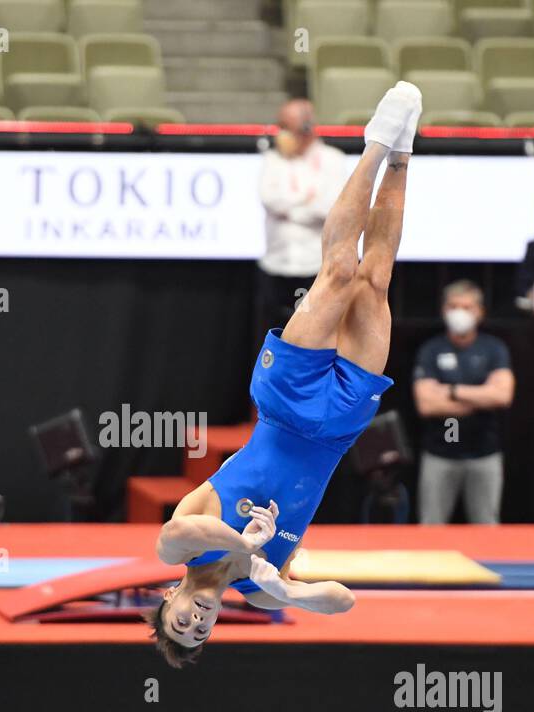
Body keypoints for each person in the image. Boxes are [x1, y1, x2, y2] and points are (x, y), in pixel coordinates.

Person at [146, 82, 423, 668]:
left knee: (339, 275)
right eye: (200, 635)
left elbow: (182, 531)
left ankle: (371, 146)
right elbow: (342, 603)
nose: (194, 624)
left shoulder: (179, 553)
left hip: (284, 401)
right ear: (214, 628)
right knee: (376, 279)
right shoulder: (258, 583)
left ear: (170, 600)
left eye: (180, 625)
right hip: (340, 425)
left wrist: (243, 546)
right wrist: (281, 589)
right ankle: (401, 154)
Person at [412, 281, 515, 525]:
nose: (460, 312)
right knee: (431, 527)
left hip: (484, 454)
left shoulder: (494, 349)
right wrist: (480, 397)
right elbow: (427, 405)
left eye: (467, 307)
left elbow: (502, 396)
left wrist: (452, 391)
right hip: (439, 454)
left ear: (479, 311)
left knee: (486, 527)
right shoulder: (431, 350)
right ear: (444, 310)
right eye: (453, 306)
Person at [255, 98, 350, 350]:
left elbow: (330, 208)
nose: (280, 133)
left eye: (286, 126)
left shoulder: (333, 160)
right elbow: (269, 199)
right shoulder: (272, 159)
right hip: (276, 266)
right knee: (271, 343)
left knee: (313, 341)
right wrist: (305, 202)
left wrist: (291, 209)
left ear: (307, 128)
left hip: (315, 269)